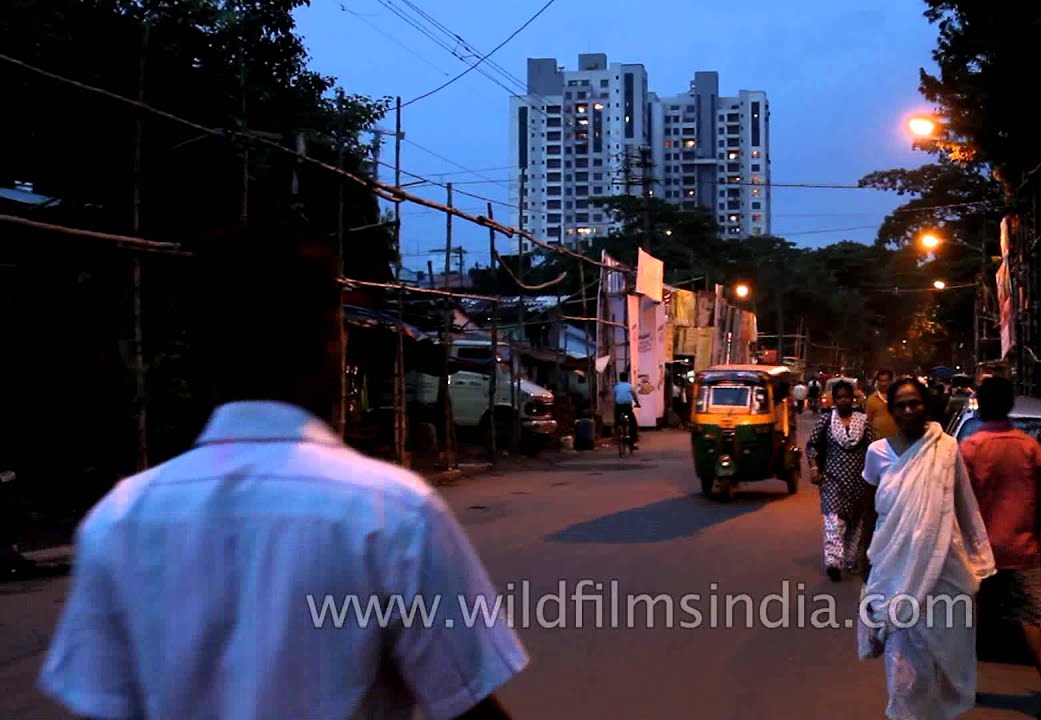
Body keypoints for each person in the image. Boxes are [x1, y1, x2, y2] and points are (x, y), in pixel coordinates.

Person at [38, 227, 526, 720]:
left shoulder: (120, 519)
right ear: (333, 346)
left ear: (200, 351)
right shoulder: (392, 512)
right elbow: (467, 699)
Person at [858, 377, 997, 720]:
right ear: (891, 410)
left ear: (926, 406)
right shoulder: (877, 453)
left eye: (914, 402)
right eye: (901, 404)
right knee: (902, 663)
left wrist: (979, 563)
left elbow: (966, 509)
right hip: (892, 571)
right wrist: (864, 562)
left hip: (943, 571)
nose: (908, 409)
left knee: (938, 660)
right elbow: (868, 510)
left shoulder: (947, 449)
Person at [961, 377, 1041, 719]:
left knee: (968, 621)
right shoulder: (1029, 447)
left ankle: (963, 684)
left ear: (981, 403)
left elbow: (961, 505)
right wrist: (1034, 540)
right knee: (1031, 618)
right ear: (1010, 405)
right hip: (1021, 548)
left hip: (980, 552)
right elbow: (1040, 505)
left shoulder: (971, 449)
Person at [806, 380, 875, 582]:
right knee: (834, 522)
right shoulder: (826, 421)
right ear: (834, 400)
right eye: (839, 397)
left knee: (856, 525)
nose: (843, 400)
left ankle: (850, 559)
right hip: (832, 481)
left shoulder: (863, 422)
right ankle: (833, 563)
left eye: (847, 397)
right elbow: (812, 446)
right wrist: (814, 468)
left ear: (852, 399)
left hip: (859, 482)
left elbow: (873, 449)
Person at [864, 369, 899, 441]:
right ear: (877, 382)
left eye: (886, 380)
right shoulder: (872, 399)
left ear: (891, 381)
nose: (884, 383)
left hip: (897, 440)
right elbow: (868, 421)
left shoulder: (898, 397)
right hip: (878, 441)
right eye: (881, 381)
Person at [614, 371, 640, 450]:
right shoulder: (630, 386)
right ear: (627, 378)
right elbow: (634, 396)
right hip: (627, 406)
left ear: (620, 378)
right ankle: (632, 443)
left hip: (618, 406)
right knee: (633, 423)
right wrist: (637, 403)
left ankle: (617, 429)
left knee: (617, 419)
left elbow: (615, 396)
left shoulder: (616, 386)